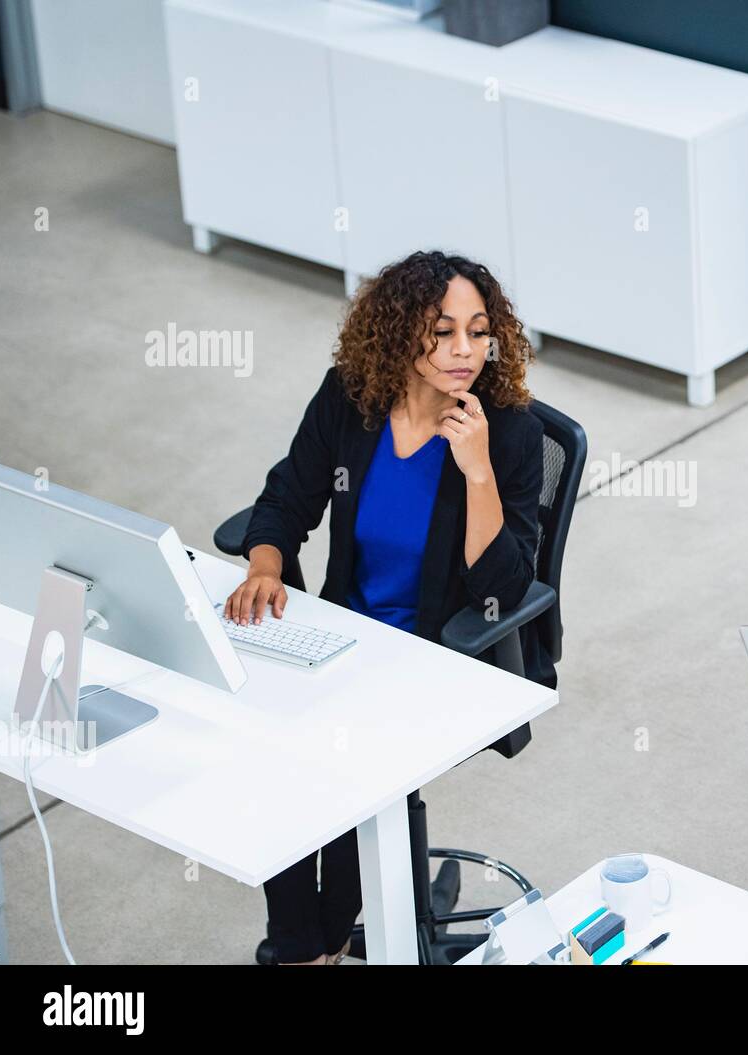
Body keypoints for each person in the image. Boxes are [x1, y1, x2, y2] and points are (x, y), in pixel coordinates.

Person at [224, 250, 547, 964]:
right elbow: (287, 495)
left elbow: (499, 591)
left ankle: (308, 946)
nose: (466, 351)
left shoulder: (509, 435)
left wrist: (479, 471)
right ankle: (313, 944)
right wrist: (266, 563)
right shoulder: (353, 400)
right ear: (402, 333)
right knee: (273, 750)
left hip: (439, 659)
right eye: (442, 332)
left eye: (478, 330)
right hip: (344, 640)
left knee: (344, 772)